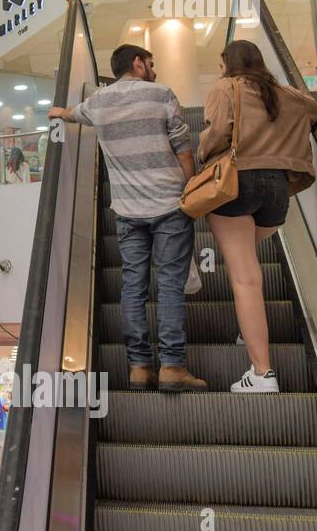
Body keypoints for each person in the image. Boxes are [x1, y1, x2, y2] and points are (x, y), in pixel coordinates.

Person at [50, 44, 207, 392]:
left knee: (133, 287)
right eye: (151, 63)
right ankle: (171, 367)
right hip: (169, 205)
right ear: (137, 63)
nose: (154, 69)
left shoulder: (98, 103)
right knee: (169, 285)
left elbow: (73, 112)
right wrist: (192, 189)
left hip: (126, 210)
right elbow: (183, 147)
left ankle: (138, 367)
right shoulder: (161, 94)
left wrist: (59, 111)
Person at [200, 41, 317, 393]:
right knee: (249, 266)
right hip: (278, 189)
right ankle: (248, 327)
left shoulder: (226, 87)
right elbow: (314, 112)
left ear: (227, 63)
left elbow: (219, 132)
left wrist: (202, 151)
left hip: (237, 183)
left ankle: (262, 373)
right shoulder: (287, 94)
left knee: (246, 278)